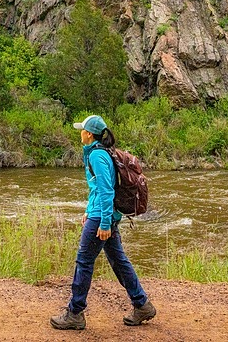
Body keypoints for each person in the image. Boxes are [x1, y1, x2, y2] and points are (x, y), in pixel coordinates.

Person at [49, 114, 156, 331]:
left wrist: (104, 222)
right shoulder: (101, 152)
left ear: (89, 134)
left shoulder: (97, 156)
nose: (80, 132)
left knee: (84, 262)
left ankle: (75, 313)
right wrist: (89, 211)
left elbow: (106, 191)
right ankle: (142, 304)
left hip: (103, 217)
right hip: (100, 214)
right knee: (119, 261)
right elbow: (96, 189)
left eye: (82, 129)